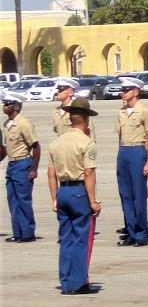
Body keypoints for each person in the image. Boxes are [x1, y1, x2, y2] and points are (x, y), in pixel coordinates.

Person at [49, 95, 103, 294]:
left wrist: (55, 197)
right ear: (86, 119)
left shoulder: (57, 143)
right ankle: (78, 282)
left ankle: (65, 282)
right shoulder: (87, 143)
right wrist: (93, 201)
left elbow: (50, 173)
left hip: (63, 191)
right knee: (81, 238)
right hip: (79, 192)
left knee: (66, 238)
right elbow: (89, 172)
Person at [112, 76, 148, 246]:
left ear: (136, 92)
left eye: (126, 90)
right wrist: (120, 155)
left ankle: (141, 233)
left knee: (138, 195)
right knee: (125, 194)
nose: (123, 93)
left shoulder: (144, 111)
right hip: (124, 151)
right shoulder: (121, 112)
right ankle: (130, 231)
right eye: (122, 90)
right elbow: (120, 135)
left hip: (138, 150)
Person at [2, 89, 40, 243]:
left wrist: (34, 169)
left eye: (8, 104)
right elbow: (7, 147)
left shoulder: (24, 123)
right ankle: (17, 232)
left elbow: (36, 146)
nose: (4, 106)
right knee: (13, 200)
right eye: (4, 103)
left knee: (23, 200)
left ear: (16, 106)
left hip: (23, 163)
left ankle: (27, 233)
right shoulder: (7, 124)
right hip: (12, 164)